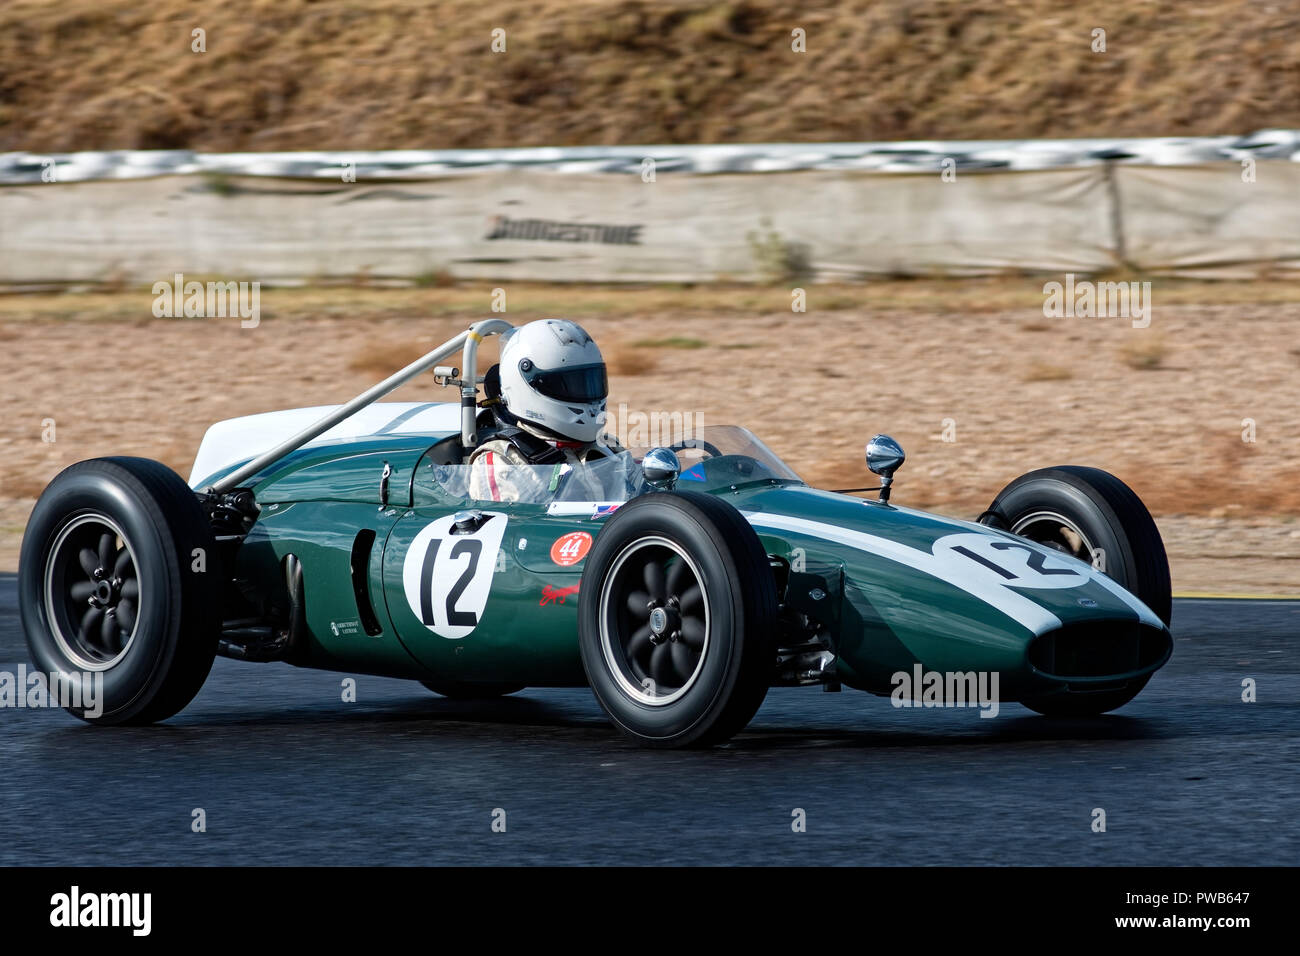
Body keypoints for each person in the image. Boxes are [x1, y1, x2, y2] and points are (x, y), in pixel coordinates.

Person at [468, 319, 626, 503]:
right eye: (569, 385)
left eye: (588, 382)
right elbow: (511, 529)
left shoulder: (608, 447)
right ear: (524, 386)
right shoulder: (503, 461)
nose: (585, 395)